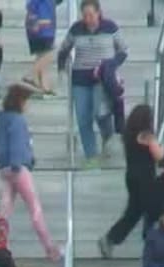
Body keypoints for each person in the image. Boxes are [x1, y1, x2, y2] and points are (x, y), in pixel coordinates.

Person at [0, 85, 61, 261]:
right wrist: (23, 162)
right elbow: (17, 143)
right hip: (18, 168)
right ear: (21, 101)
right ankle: (50, 248)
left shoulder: (0, 118)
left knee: (4, 211)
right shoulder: (18, 120)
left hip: (3, 168)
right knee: (35, 209)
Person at [57, 0, 125, 168]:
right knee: (83, 118)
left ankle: (107, 138)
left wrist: (110, 65)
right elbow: (64, 49)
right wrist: (61, 69)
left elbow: (123, 51)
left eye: (91, 15)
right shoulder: (76, 29)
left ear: (98, 13)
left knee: (100, 112)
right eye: (85, 15)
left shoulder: (110, 27)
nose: (88, 19)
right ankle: (91, 156)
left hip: (102, 79)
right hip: (80, 79)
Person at [98, 104, 164, 256]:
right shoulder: (147, 136)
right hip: (145, 177)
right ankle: (152, 241)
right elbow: (159, 156)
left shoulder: (128, 135)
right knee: (152, 209)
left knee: (134, 211)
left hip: (131, 175)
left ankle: (112, 238)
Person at [23, 0, 57, 94]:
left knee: (41, 57)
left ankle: (44, 87)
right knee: (49, 55)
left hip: (36, 28)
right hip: (43, 28)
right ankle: (30, 75)